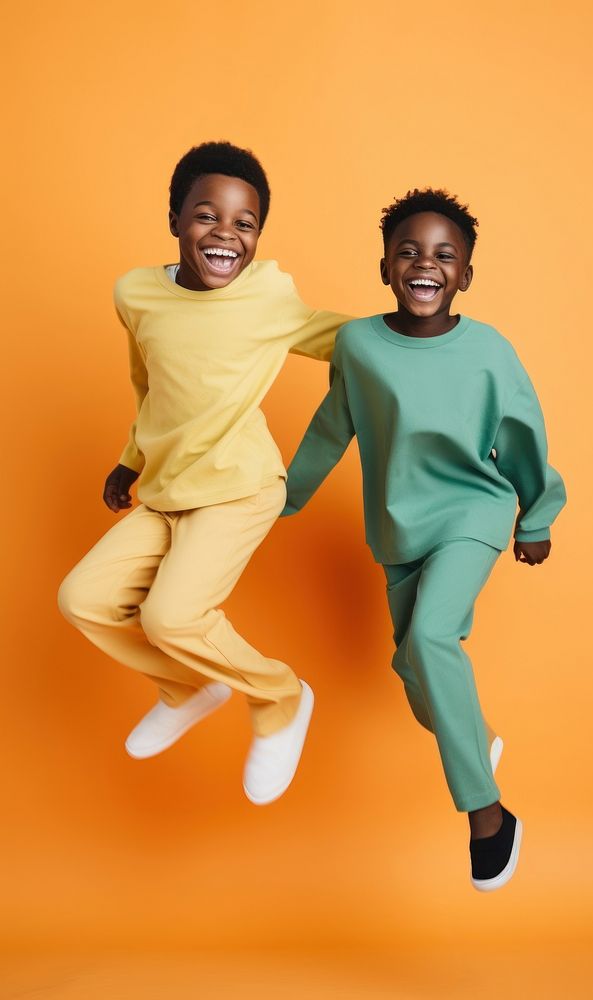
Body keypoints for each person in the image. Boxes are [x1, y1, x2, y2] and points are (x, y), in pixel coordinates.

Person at [281, 188, 566, 889]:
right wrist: (277, 501)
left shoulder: (488, 350)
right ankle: (474, 739)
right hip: (398, 529)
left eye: (444, 255)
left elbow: (520, 432)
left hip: (472, 513)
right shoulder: (358, 346)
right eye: (407, 251)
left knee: (432, 641)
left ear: (464, 274)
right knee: (412, 667)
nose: (424, 265)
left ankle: (487, 815)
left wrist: (535, 516)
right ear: (384, 267)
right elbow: (329, 429)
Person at [58, 141, 348, 806]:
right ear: (174, 219)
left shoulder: (267, 297)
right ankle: (186, 686)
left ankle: (279, 697)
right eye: (205, 216)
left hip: (239, 488)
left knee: (170, 615)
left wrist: (420, 334)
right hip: (166, 492)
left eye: (244, 223)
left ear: (257, 237)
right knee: (81, 600)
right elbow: (149, 383)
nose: (225, 234)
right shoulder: (135, 293)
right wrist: (130, 458)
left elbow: (341, 339)